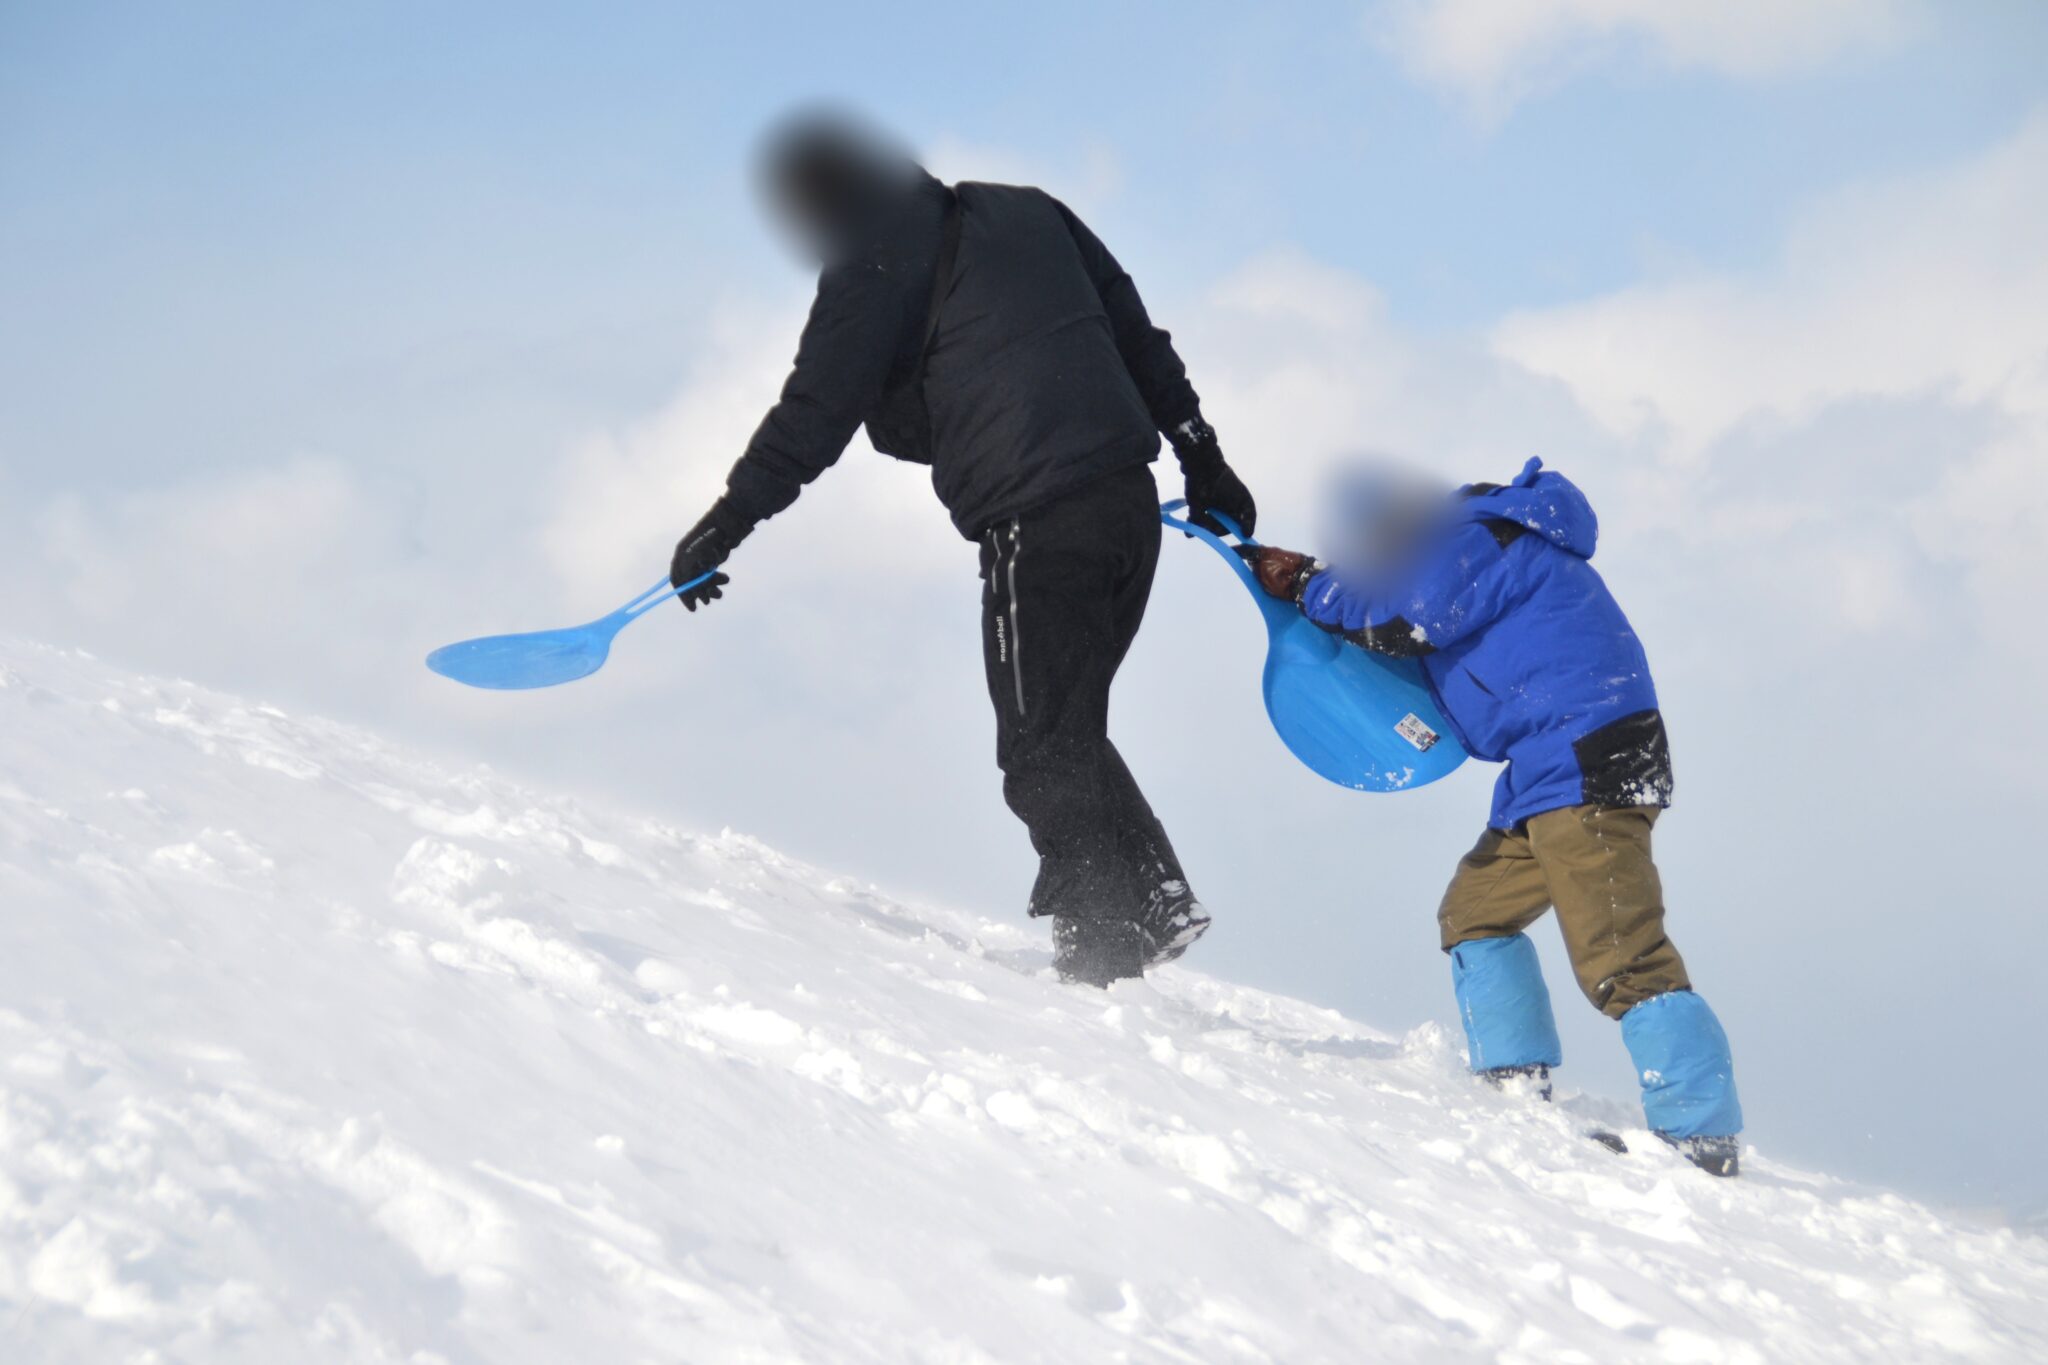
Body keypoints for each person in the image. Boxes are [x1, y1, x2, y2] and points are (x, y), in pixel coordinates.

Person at [670, 113, 1257, 987]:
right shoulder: (1030, 211)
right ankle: (1152, 894)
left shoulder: (867, 265)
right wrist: (1203, 455)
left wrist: (725, 523)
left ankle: (1100, 950)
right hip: (1127, 508)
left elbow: (812, 418)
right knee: (1061, 724)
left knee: (1039, 747)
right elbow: (1139, 337)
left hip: (1037, 518)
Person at [1238, 457, 1745, 1175]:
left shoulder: (1478, 539)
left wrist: (1310, 586)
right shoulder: (1467, 545)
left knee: (1619, 951)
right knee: (1474, 911)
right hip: (1545, 767)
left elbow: (1404, 617)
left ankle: (1701, 1136)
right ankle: (1514, 1085)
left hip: (1585, 756)